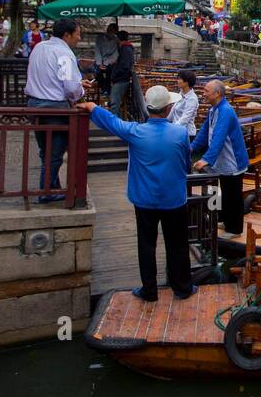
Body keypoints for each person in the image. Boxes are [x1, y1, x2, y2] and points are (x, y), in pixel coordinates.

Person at [78, 86, 193, 301]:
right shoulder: (180, 133)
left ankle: (149, 290)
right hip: (173, 199)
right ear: (168, 108)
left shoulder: (136, 132)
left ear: (148, 108)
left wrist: (93, 108)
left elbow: (111, 122)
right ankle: (182, 288)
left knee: (146, 245)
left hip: (145, 199)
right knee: (177, 244)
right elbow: (186, 163)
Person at [24, 19, 93, 202]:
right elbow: (71, 89)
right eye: (77, 34)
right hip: (55, 109)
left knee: (44, 150)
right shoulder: (64, 53)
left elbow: (50, 77)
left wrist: (76, 83)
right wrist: (81, 89)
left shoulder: (39, 47)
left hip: (34, 104)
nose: (79, 38)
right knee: (55, 152)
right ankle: (45, 192)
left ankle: (52, 188)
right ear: (67, 35)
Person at [191, 78, 249, 236]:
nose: (203, 94)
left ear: (217, 94)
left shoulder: (226, 111)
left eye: (206, 91)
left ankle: (235, 229)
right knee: (217, 190)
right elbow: (204, 134)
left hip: (232, 162)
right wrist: (190, 149)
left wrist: (206, 159)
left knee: (233, 195)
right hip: (220, 161)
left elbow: (219, 137)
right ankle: (221, 219)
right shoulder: (213, 110)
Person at [106, 30, 135, 117]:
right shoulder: (126, 48)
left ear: (118, 39)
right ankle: (117, 122)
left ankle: (114, 124)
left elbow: (125, 66)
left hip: (121, 80)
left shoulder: (125, 49)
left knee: (114, 103)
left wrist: (115, 75)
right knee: (115, 103)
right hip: (121, 79)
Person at [168, 69, 199, 139]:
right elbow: (173, 111)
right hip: (176, 131)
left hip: (186, 134)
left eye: (179, 79)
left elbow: (185, 118)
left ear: (187, 82)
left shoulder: (192, 99)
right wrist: (165, 122)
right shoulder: (181, 94)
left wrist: (170, 129)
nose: (177, 81)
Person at [94, 22, 119, 97]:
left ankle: (108, 91)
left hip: (110, 62)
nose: (110, 31)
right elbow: (97, 50)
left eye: (112, 30)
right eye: (109, 29)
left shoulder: (116, 40)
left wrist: (107, 63)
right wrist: (100, 63)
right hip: (100, 60)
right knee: (98, 72)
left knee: (110, 73)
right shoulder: (100, 38)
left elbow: (116, 53)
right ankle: (102, 89)